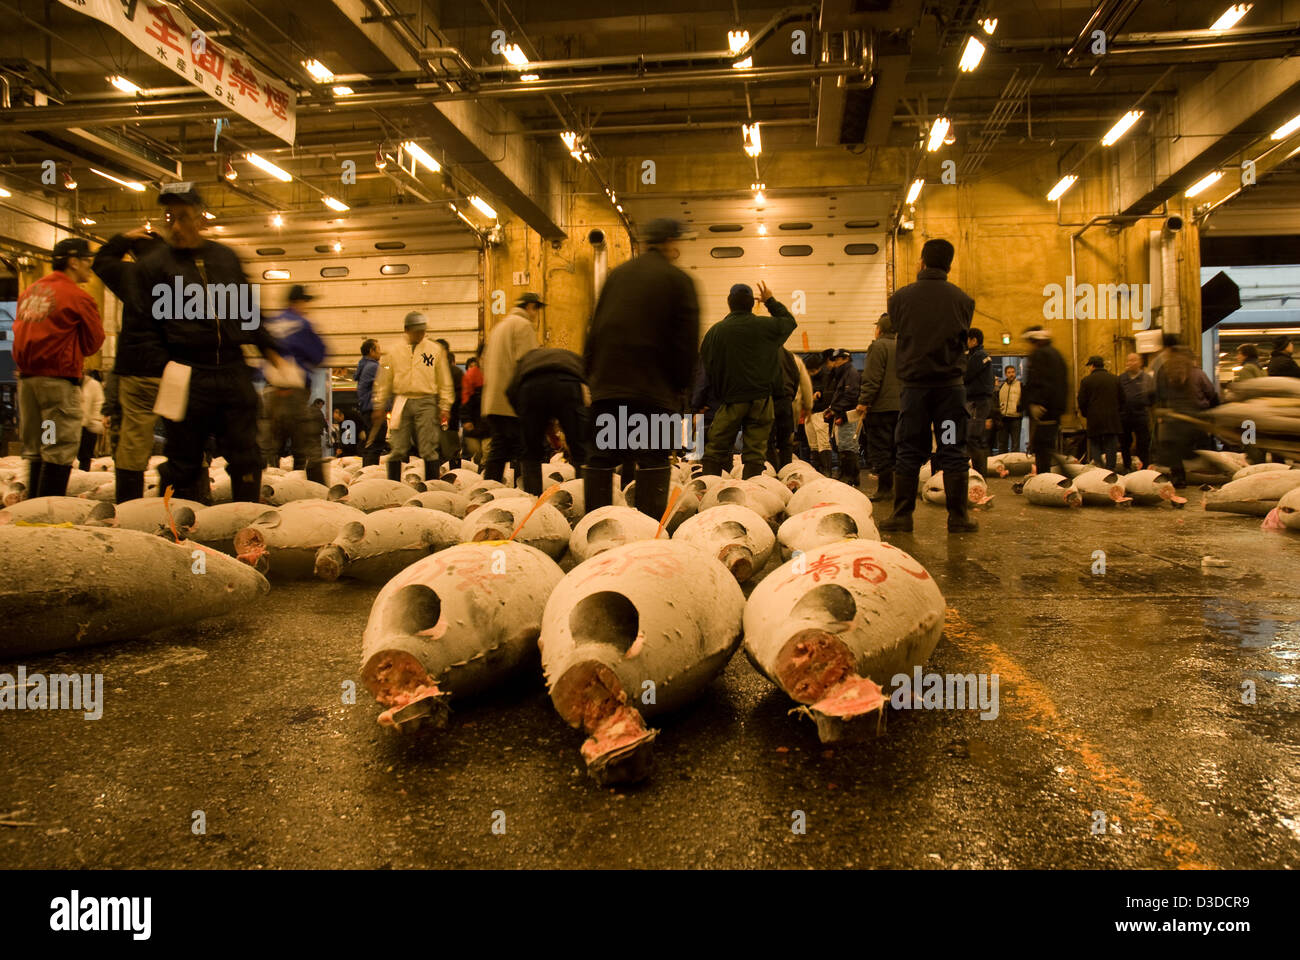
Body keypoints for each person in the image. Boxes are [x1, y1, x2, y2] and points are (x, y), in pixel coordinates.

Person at [121, 183, 288, 502]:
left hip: (231, 367)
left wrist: (270, 348)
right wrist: (164, 366)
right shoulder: (153, 267)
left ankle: (246, 529)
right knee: (181, 460)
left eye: (184, 217)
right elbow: (141, 328)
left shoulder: (225, 258)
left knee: (246, 455)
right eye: (170, 218)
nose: (177, 226)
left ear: (201, 219)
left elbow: (248, 311)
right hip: (184, 371)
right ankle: (177, 533)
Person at [584, 218, 700, 519]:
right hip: (653, 392)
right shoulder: (678, 281)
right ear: (670, 244)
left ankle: (595, 535)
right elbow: (686, 343)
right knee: (653, 460)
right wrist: (680, 390)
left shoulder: (617, 276)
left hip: (608, 388)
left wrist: (593, 380)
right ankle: (647, 536)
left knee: (601, 459)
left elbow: (594, 329)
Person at [878, 239, 977, 534]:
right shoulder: (963, 300)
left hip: (915, 391)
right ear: (949, 264)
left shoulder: (900, 299)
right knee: (952, 448)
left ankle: (902, 516)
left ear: (921, 262)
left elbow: (902, 329)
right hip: (949, 390)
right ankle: (958, 518)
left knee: (908, 449)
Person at [14, 237, 106, 498]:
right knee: (56, 447)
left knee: (39, 446)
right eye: (87, 261)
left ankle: (31, 510)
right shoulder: (77, 297)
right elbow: (93, 343)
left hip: (29, 385)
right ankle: (45, 517)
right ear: (73, 262)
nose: (90, 267)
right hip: (55, 389)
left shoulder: (30, 292)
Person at [92, 227, 167, 502]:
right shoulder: (184, 275)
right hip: (178, 369)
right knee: (187, 437)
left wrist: (124, 238)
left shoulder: (133, 275)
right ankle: (191, 499)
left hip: (138, 369)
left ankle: (129, 505)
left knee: (134, 441)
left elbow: (101, 263)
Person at [699, 282, 797, 478]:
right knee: (755, 452)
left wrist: (720, 394)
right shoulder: (767, 327)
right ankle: (752, 495)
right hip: (762, 400)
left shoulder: (716, 332)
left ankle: (708, 490)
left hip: (731, 399)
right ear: (752, 304)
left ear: (729, 303)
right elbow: (789, 321)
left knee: (716, 448)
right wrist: (770, 301)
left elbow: (708, 368)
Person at [372, 312, 454, 482]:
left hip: (427, 400)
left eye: (423, 331)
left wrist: (445, 405)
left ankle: (431, 488)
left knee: (428, 447)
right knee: (397, 447)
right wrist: (379, 403)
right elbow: (384, 380)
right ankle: (394, 486)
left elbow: (444, 380)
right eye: (416, 331)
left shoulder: (434, 350)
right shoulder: (394, 351)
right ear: (406, 330)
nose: (420, 334)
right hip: (401, 400)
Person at [261, 285, 327, 483]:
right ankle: (319, 492)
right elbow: (318, 354)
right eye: (306, 302)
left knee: (268, 444)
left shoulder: (270, 323)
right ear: (297, 302)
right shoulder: (302, 323)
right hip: (294, 392)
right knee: (308, 443)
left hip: (270, 390)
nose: (307, 306)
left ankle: (261, 488)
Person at [506, 347, 589, 494]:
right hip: (567, 383)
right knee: (580, 450)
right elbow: (588, 391)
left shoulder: (527, 358)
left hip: (531, 387)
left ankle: (533, 501)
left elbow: (510, 391)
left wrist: (526, 420)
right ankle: (583, 499)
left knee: (531, 452)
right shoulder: (573, 357)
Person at [480, 293, 543, 482]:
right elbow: (528, 364)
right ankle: (531, 497)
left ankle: (488, 491)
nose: (536, 314)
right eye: (536, 309)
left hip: (494, 401)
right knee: (529, 449)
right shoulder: (523, 326)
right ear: (530, 306)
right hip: (513, 403)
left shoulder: (500, 326)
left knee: (499, 450)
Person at [855, 313, 900, 501]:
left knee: (881, 449)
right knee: (898, 449)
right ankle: (901, 490)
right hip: (903, 407)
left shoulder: (878, 346)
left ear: (879, 329)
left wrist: (863, 401)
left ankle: (885, 489)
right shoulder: (905, 347)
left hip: (881, 408)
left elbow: (872, 378)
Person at [1021, 326, 1069, 478]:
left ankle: (1046, 477)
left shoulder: (1041, 354)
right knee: (1046, 445)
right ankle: (1047, 476)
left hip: (1044, 409)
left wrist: (1036, 402)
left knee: (1043, 447)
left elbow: (1039, 381)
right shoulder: (1056, 354)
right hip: (1054, 409)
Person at [1154, 343, 1202, 487]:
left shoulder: (1166, 368)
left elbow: (1159, 392)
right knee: (1180, 448)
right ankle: (1181, 476)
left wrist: (1161, 410)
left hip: (1174, 414)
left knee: (1171, 448)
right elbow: (1207, 392)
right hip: (1190, 414)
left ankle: (1178, 477)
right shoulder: (1193, 370)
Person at [1077, 356, 1125, 471]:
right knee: (1111, 444)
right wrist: (1117, 412)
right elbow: (1123, 399)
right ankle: (1110, 469)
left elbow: (1081, 401)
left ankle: (1098, 468)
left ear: (1092, 366)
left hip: (1094, 418)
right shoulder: (1115, 379)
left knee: (1095, 443)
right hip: (1112, 417)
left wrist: (1085, 414)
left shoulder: (1086, 381)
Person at [823, 349, 861, 485]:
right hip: (843, 414)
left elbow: (851, 395)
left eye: (838, 359)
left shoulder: (851, 373)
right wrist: (832, 410)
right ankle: (849, 475)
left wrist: (836, 410)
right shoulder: (843, 374)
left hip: (849, 415)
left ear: (846, 359)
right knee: (843, 445)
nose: (836, 362)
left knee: (848, 446)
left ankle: (849, 476)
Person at [963, 327, 995, 476]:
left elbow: (966, 375)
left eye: (966, 340)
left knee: (973, 438)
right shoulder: (980, 355)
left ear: (973, 340)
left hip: (978, 402)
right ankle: (979, 475)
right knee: (977, 439)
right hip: (980, 402)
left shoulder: (978, 356)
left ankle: (979, 476)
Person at [766, 347, 803, 469]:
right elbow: (796, 377)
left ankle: (772, 471)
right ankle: (786, 471)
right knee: (786, 441)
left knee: (768, 440)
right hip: (786, 401)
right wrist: (790, 396)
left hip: (768, 400)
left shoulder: (762, 351)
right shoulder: (788, 355)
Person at [1118, 352, 1154, 471]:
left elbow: (1153, 396)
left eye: (1134, 360)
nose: (1131, 363)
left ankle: (1144, 468)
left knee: (1143, 443)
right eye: (1129, 360)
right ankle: (1127, 466)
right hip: (1124, 416)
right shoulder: (1121, 378)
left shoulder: (1146, 378)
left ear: (1140, 362)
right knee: (1125, 444)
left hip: (1141, 416)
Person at [803, 352, 834, 474]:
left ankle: (826, 471)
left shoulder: (827, 376)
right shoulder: (809, 377)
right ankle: (817, 471)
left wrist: (818, 396)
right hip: (809, 413)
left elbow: (828, 395)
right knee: (813, 443)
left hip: (822, 413)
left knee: (823, 442)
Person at [435, 338, 464, 467]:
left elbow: (460, 396)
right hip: (430, 420)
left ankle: (454, 479)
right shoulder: (429, 370)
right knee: (433, 453)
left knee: (451, 452)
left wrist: (447, 408)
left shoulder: (455, 372)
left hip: (449, 421)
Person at [1235, 344, 1265, 463]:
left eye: (1239, 354)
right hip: (1261, 411)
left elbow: (1245, 392)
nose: (1237, 357)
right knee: (1259, 443)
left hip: (1249, 414)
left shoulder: (1247, 369)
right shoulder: (1260, 368)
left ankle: (1254, 467)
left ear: (1245, 355)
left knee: (1249, 442)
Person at [355, 339, 384, 466]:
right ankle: (370, 474)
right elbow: (383, 388)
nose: (380, 352)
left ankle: (366, 472)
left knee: (371, 444)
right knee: (376, 444)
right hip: (374, 410)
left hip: (367, 409)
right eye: (378, 349)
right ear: (371, 351)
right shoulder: (373, 367)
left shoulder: (364, 366)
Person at [77, 369, 105, 472]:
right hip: (83, 425)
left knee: (84, 456)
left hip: (89, 427)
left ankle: (82, 477)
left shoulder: (91, 386)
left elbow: (88, 411)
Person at [460, 356, 485, 465]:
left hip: (486, 428)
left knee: (486, 456)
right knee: (473, 455)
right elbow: (462, 405)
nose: (474, 369)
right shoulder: (464, 386)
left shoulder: (486, 385)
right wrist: (465, 420)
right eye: (471, 367)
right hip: (471, 428)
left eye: (476, 367)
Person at [995, 365, 1022, 454]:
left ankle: (1015, 466)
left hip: (1016, 418)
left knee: (1015, 444)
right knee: (1002, 444)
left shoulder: (1020, 386)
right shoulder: (1002, 386)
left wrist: (1019, 409)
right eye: (1009, 372)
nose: (1011, 374)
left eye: (1013, 372)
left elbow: (1024, 400)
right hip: (1004, 419)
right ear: (1005, 374)